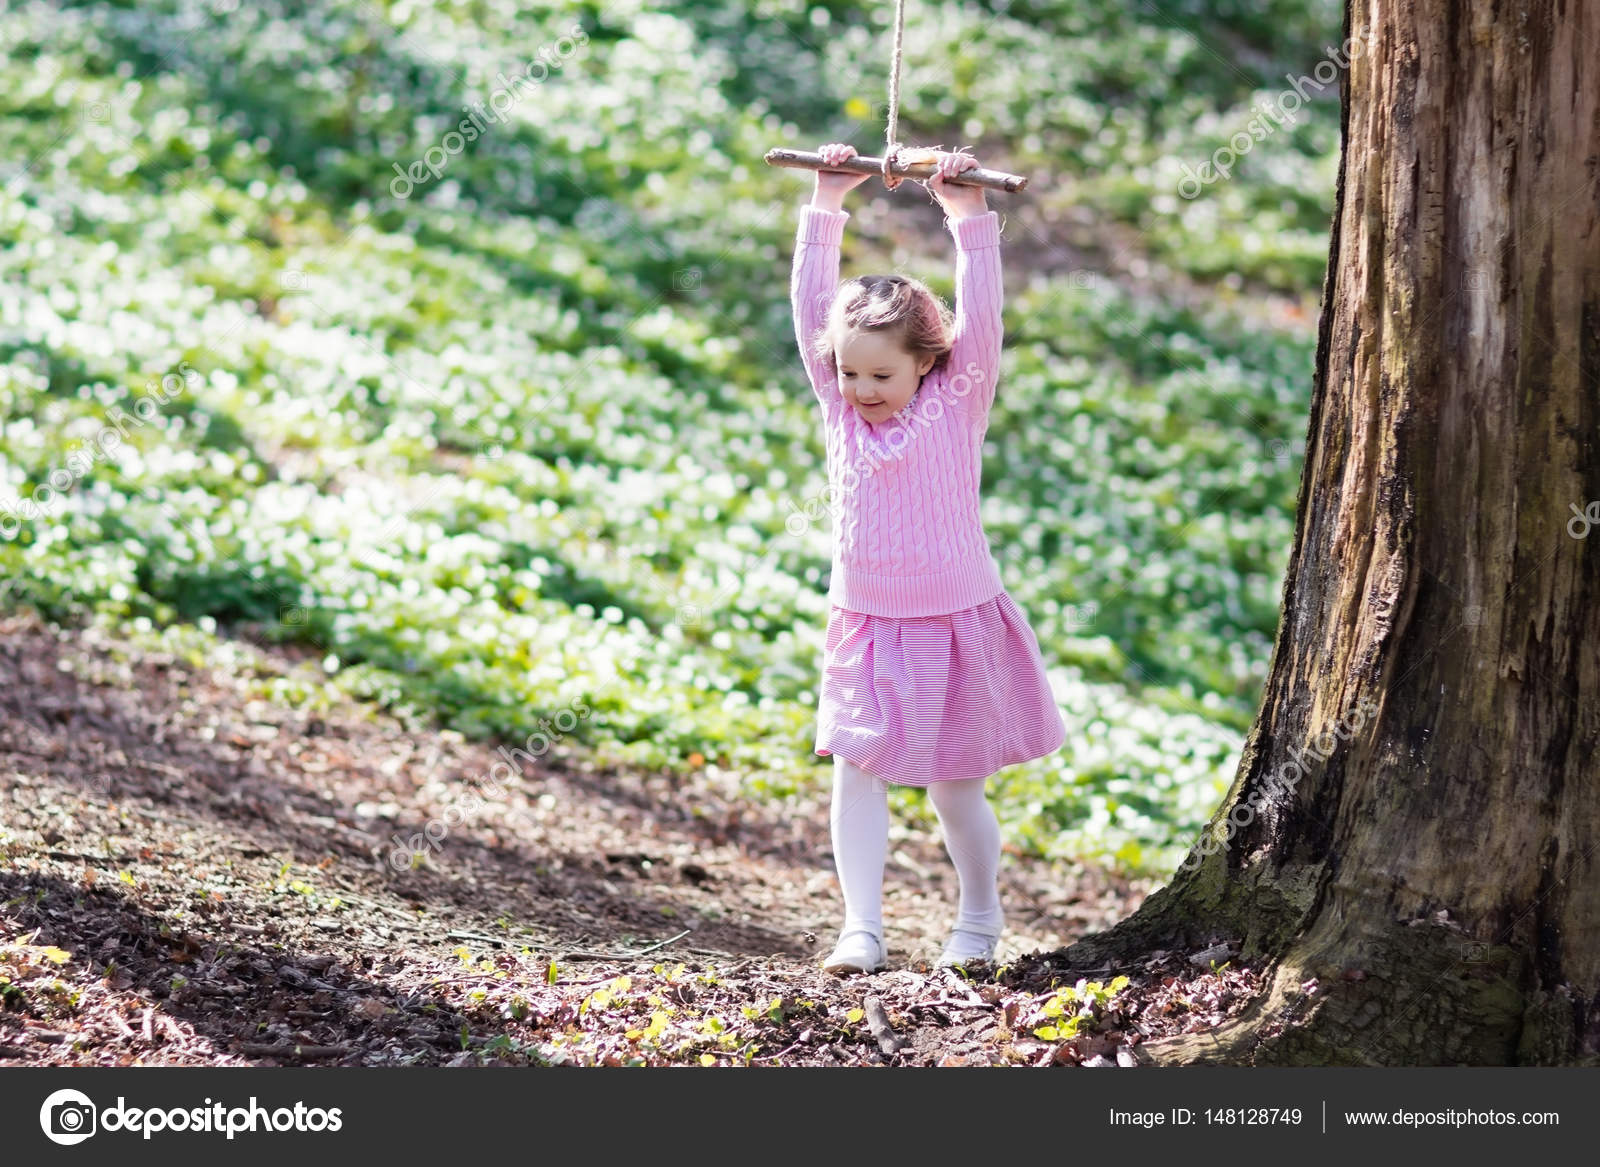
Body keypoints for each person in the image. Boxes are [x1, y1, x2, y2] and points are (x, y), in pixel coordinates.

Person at [790, 142, 1067, 975]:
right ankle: (861, 929)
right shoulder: (840, 409)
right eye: (848, 372)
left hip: (953, 618)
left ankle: (978, 918)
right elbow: (810, 310)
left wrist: (969, 218)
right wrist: (826, 200)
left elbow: (983, 322)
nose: (861, 388)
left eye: (881, 374)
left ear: (927, 364)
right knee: (856, 771)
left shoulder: (958, 400)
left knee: (955, 787)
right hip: (867, 619)